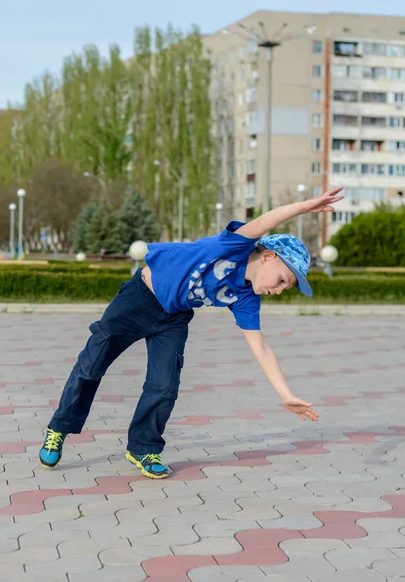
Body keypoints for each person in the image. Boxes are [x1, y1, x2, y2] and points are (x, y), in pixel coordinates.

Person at [39, 187, 344, 479]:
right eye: (281, 280)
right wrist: (304, 207)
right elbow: (266, 221)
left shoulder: (247, 298)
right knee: (92, 364)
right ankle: (59, 428)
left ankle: (143, 449)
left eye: (284, 288)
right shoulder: (235, 247)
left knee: (164, 385)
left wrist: (286, 394)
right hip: (139, 299)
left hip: (173, 318)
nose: (277, 290)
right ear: (267, 257)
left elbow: (260, 346)